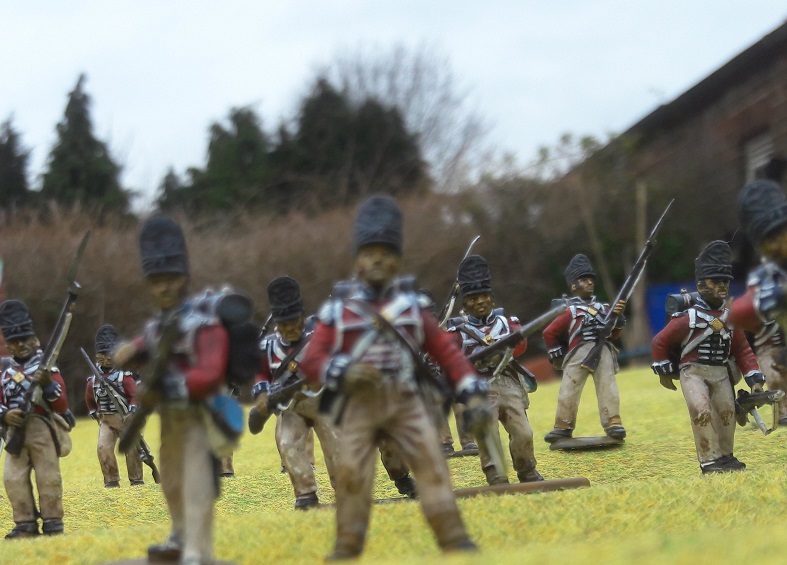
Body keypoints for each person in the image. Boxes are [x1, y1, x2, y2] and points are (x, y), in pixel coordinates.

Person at [299, 195, 489, 560]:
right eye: (370, 253)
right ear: (357, 261)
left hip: (405, 401)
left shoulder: (412, 308)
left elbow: (447, 353)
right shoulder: (339, 311)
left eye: (387, 253)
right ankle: (347, 545)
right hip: (359, 406)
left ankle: (453, 539)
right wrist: (342, 371)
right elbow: (312, 359)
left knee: (432, 467)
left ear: (399, 260)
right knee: (352, 475)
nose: (379, 260)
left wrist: (470, 389)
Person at [112, 215, 231, 564]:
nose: (164, 288)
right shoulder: (156, 325)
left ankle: (198, 548)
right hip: (170, 421)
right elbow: (143, 345)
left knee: (197, 482)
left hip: (199, 416)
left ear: (184, 278)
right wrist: (128, 351)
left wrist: (167, 388)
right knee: (172, 480)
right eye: (157, 281)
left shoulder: (204, 324)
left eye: (171, 279)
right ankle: (180, 535)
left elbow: (209, 373)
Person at [651, 241, 765, 473]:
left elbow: (742, 350)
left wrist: (754, 379)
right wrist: (665, 372)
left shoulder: (730, 318)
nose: (722, 287)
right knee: (701, 411)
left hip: (721, 373)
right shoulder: (687, 318)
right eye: (715, 281)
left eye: (724, 282)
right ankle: (708, 459)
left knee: (726, 412)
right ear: (701, 284)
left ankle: (726, 455)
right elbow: (660, 342)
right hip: (692, 372)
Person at [446, 255, 542, 484]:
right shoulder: (456, 333)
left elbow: (521, 345)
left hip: (506, 381)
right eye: (473, 298)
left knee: (523, 432)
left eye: (484, 296)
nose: (480, 302)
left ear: (492, 298)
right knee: (487, 434)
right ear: (465, 304)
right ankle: (495, 474)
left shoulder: (508, 324)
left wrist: (506, 349)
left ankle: (526, 469)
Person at [252, 275, 340, 509]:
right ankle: (305, 493)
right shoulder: (267, 347)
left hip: (323, 400)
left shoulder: (320, 336)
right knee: (289, 445)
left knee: (337, 445)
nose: (291, 329)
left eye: (295, 322)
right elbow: (260, 374)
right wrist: (262, 395)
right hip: (291, 407)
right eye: (285, 324)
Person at [0, 299, 70, 538]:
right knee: (12, 478)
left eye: (25, 340)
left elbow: (61, 404)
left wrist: (47, 385)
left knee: (49, 477)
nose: (20, 346)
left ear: (35, 341)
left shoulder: (47, 369)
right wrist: (5, 415)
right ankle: (24, 523)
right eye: (14, 342)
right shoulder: (5, 373)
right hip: (15, 431)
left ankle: (53, 521)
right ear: (8, 345)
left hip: (42, 428)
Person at [542, 254, 627, 442]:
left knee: (608, 386)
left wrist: (618, 318)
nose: (589, 283)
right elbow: (550, 332)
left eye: (591, 280)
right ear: (573, 286)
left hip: (602, 351)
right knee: (568, 389)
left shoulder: (604, 308)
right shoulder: (570, 311)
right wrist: (555, 352)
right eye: (584, 280)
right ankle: (563, 425)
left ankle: (613, 422)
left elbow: (613, 335)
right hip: (578, 352)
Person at [730, 179, 787, 425]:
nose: (778, 245)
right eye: (769, 239)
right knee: (774, 376)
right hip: (774, 346)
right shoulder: (765, 277)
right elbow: (740, 313)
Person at [85, 324, 144, 488]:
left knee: (132, 448)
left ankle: (136, 479)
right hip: (106, 420)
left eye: (108, 355)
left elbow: (134, 395)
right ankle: (111, 480)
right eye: (101, 356)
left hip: (126, 418)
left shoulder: (124, 376)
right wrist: (92, 411)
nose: (105, 359)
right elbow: (90, 396)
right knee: (103, 448)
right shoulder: (93, 379)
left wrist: (132, 409)